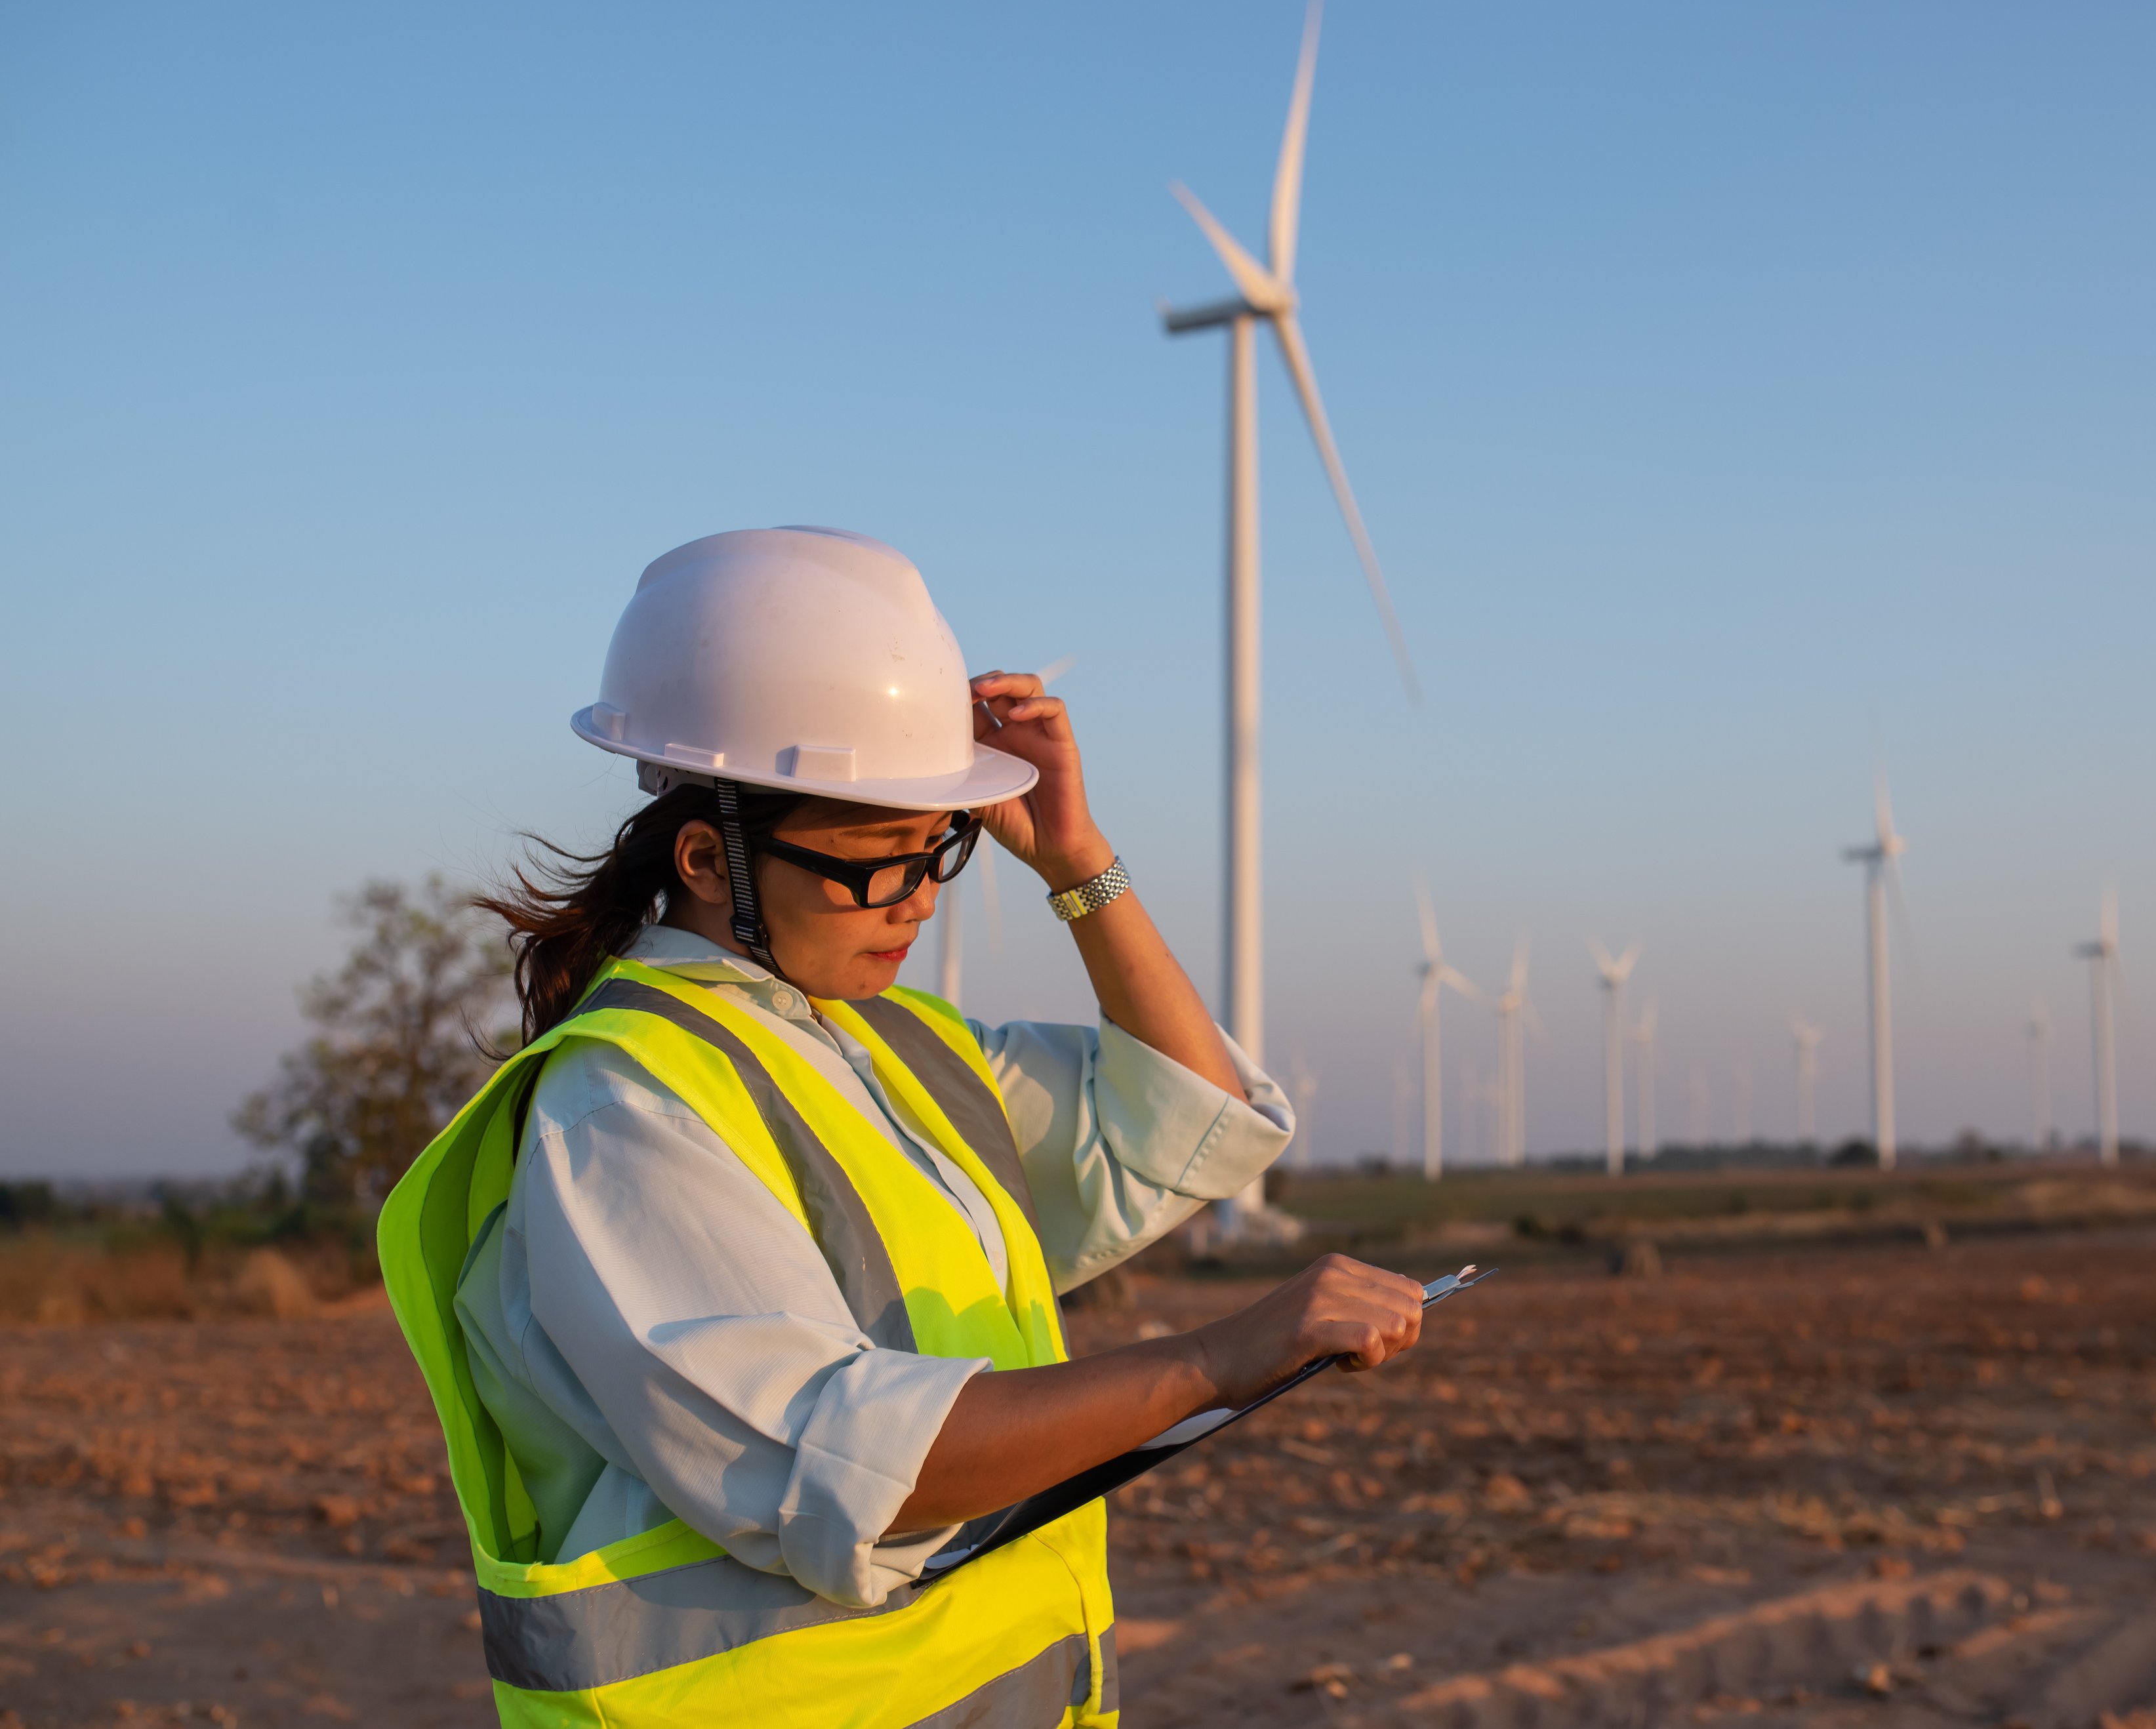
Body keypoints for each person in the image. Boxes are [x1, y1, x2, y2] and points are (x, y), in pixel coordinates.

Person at [378, 526, 1429, 1728]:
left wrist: (1076, 861)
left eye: (942, 848)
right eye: (879, 862)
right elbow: (844, 1465)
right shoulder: (625, 1104)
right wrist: (1213, 1360)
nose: (922, 900)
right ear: (708, 860)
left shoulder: (897, 1047)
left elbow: (1190, 1114)